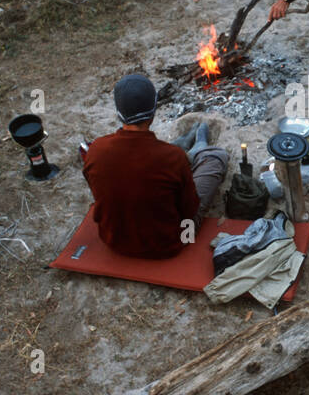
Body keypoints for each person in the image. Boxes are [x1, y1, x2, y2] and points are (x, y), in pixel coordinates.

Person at [82, 73, 228, 259]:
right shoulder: (171, 158)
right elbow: (190, 209)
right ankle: (200, 149)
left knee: (165, 162)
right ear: (152, 114)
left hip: (114, 241)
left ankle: (187, 146)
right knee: (216, 158)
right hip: (170, 243)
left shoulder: (96, 150)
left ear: (119, 114)